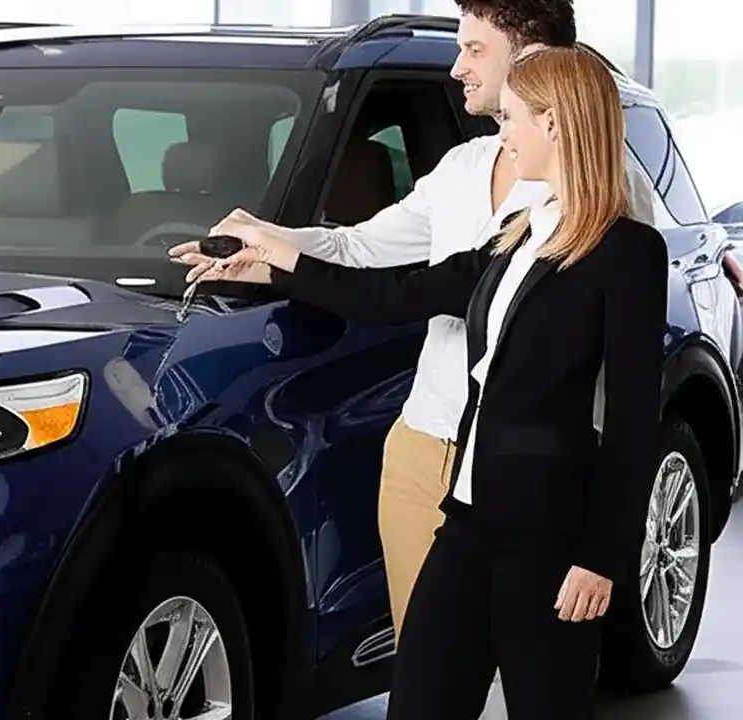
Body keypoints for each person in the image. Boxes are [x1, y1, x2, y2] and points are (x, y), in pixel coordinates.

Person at [184, 44, 665, 720]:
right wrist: (273, 264)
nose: (504, 135)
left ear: (555, 125)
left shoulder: (627, 252)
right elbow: (395, 295)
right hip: (467, 521)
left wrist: (603, 558)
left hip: (550, 537)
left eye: (514, 119)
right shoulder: (515, 235)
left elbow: (635, 420)